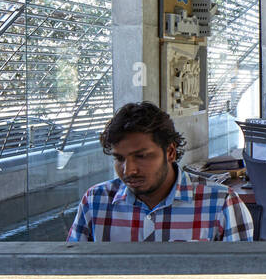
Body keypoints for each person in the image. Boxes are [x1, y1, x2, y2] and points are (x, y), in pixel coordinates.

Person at [68, 101, 254, 242]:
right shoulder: (95, 202)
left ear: (170, 152)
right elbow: (70, 275)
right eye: (119, 159)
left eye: (141, 156)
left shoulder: (221, 204)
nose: (129, 170)